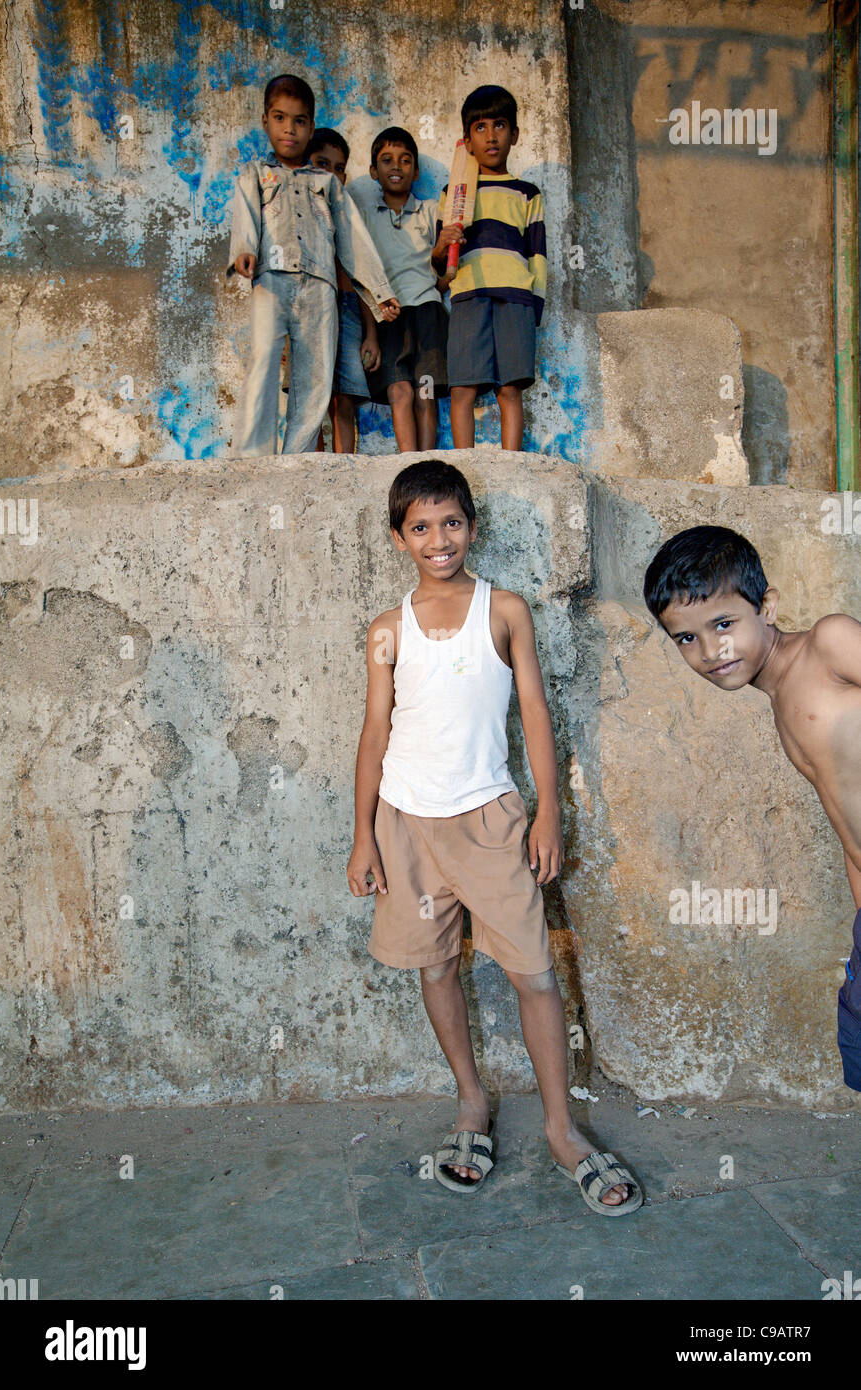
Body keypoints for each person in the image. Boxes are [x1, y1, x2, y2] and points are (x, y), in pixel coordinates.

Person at [346, 459, 642, 1213]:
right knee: (436, 965)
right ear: (399, 538)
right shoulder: (388, 630)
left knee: (533, 973)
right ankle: (471, 1103)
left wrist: (548, 812)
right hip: (407, 823)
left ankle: (560, 1129)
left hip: (488, 816)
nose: (438, 539)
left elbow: (535, 712)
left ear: (472, 527)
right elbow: (374, 733)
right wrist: (364, 836)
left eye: (451, 523)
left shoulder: (503, 610)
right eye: (421, 527)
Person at [643, 525, 861, 1091]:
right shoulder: (782, 701)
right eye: (686, 639)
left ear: (767, 605)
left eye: (722, 624)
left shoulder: (830, 644)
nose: (711, 651)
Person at [226, 73, 399, 456]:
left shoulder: (328, 183)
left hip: (320, 285)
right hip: (271, 280)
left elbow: (354, 240)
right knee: (264, 363)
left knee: (317, 374)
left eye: (300, 120)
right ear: (266, 122)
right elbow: (245, 219)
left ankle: (298, 455)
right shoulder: (255, 175)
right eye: (280, 118)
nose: (290, 129)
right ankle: (252, 456)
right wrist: (244, 251)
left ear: (311, 126)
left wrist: (379, 292)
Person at [432, 86, 547, 451]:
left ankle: (511, 462)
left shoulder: (527, 193)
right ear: (467, 140)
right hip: (468, 293)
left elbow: (537, 255)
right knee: (463, 387)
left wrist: (536, 307)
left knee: (510, 387)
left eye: (499, 125)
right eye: (480, 128)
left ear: (514, 134)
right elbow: (439, 265)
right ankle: (465, 464)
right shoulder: (455, 193)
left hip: (516, 296)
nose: (491, 135)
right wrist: (441, 248)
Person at [351, 127, 449, 451]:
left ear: (416, 171)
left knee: (425, 392)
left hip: (427, 314)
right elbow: (361, 280)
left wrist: (443, 280)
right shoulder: (364, 219)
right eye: (387, 160)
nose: (397, 167)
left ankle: (427, 464)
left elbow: (446, 262)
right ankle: (408, 465)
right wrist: (371, 332)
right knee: (399, 392)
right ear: (373, 172)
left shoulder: (431, 211)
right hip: (387, 317)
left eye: (406, 161)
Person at [306, 128, 379, 452]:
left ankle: (344, 469)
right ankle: (311, 469)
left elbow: (361, 277)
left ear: (345, 176)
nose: (330, 175)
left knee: (344, 399)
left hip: (348, 308)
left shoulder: (348, 220)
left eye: (337, 168)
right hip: (306, 313)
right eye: (322, 164)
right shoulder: (295, 217)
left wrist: (371, 334)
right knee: (310, 400)